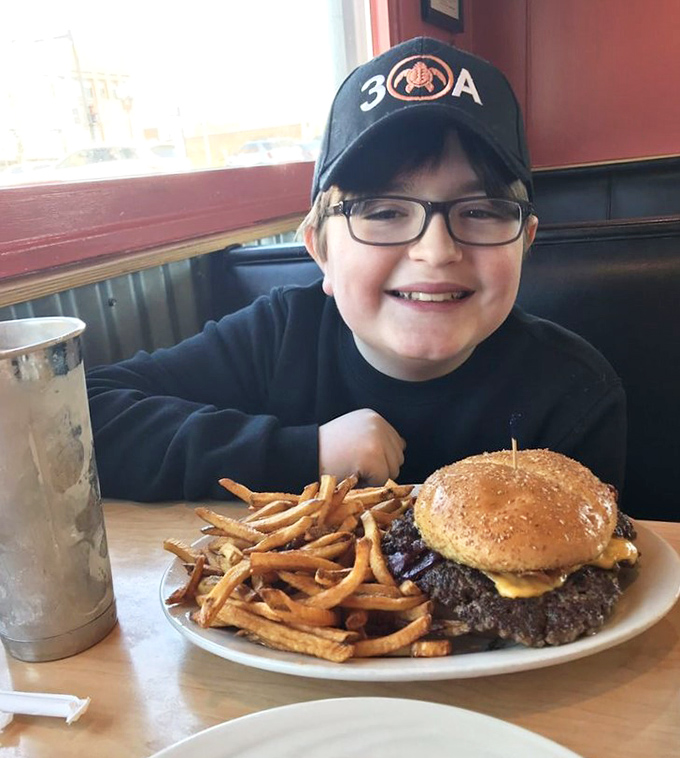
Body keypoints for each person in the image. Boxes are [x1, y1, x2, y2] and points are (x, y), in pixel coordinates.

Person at [86, 36, 626, 501]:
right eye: (384, 212)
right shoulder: (278, 338)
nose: (436, 251)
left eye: (481, 211)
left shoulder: (574, 394)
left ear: (525, 242)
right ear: (320, 249)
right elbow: (77, 416)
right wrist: (305, 452)